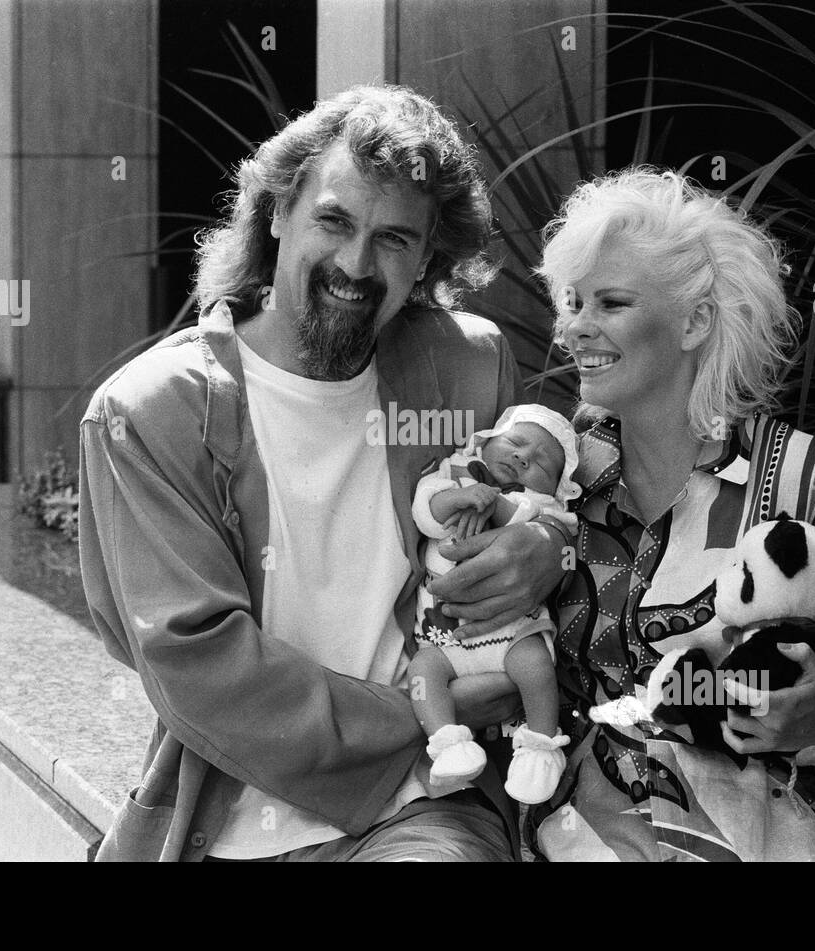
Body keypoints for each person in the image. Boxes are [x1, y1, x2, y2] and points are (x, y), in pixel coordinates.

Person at [78, 84, 571, 862]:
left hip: (426, 808)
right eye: (334, 221)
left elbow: (551, 506)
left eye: (394, 239)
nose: (355, 263)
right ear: (277, 213)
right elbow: (202, 669)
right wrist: (421, 712)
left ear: (427, 261)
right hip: (225, 818)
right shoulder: (148, 415)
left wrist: (548, 545)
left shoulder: (468, 367)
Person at [526, 167, 815, 861]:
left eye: (611, 303)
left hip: (771, 833)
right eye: (573, 301)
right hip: (586, 826)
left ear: (694, 321)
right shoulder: (564, 475)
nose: (575, 327)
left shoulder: (805, 478)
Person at [409, 404, 579, 804]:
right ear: (484, 442)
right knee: (423, 672)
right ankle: (447, 743)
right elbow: (426, 513)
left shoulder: (542, 505)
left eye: (540, 463)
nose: (523, 457)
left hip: (512, 632)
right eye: (516, 443)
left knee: (537, 666)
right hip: (445, 636)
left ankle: (539, 748)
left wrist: (496, 505)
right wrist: (461, 498)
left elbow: (529, 517)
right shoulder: (452, 473)